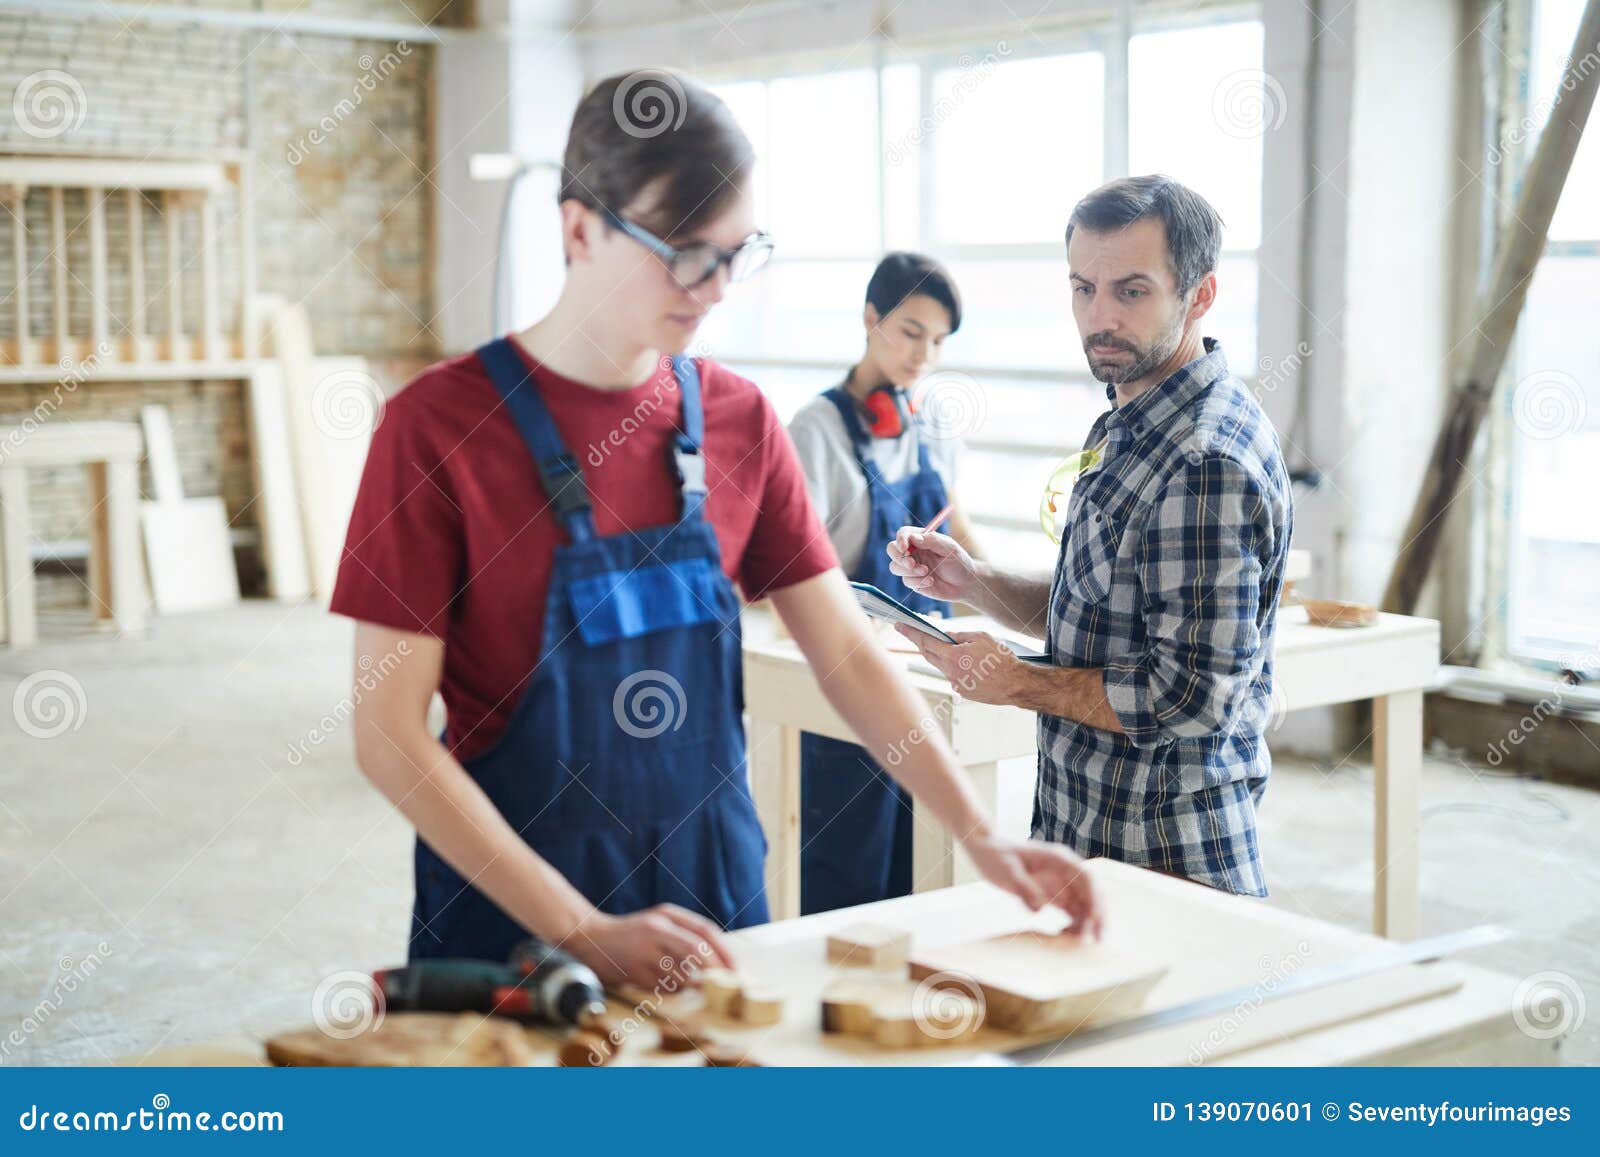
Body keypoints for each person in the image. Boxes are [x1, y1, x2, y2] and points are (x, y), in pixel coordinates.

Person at [333, 70, 1102, 990]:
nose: (717, 288)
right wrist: (584, 929)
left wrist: (981, 837)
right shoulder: (437, 429)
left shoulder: (739, 420)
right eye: (685, 253)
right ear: (578, 228)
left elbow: (849, 658)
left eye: (739, 253)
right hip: (517, 937)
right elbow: (387, 734)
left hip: (716, 912)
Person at [890, 175, 1293, 898]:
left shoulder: (1205, 462)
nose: (1098, 318)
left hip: (1168, 862)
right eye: (1083, 288)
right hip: (1089, 839)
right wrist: (974, 582)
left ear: (1199, 295)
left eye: (1131, 292)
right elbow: (1103, 614)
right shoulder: (1126, 419)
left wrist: (1017, 682)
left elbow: (1191, 698)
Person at [786, 253, 982, 914]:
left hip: (931, 673)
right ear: (870, 319)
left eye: (938, 340)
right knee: (845, 862)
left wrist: (1012, 599)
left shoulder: (930, 424)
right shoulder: (814, 431)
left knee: (926, 863)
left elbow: (962, 527)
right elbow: (788, 567)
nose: (924, 353)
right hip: (850, 675)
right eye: (910, 330)